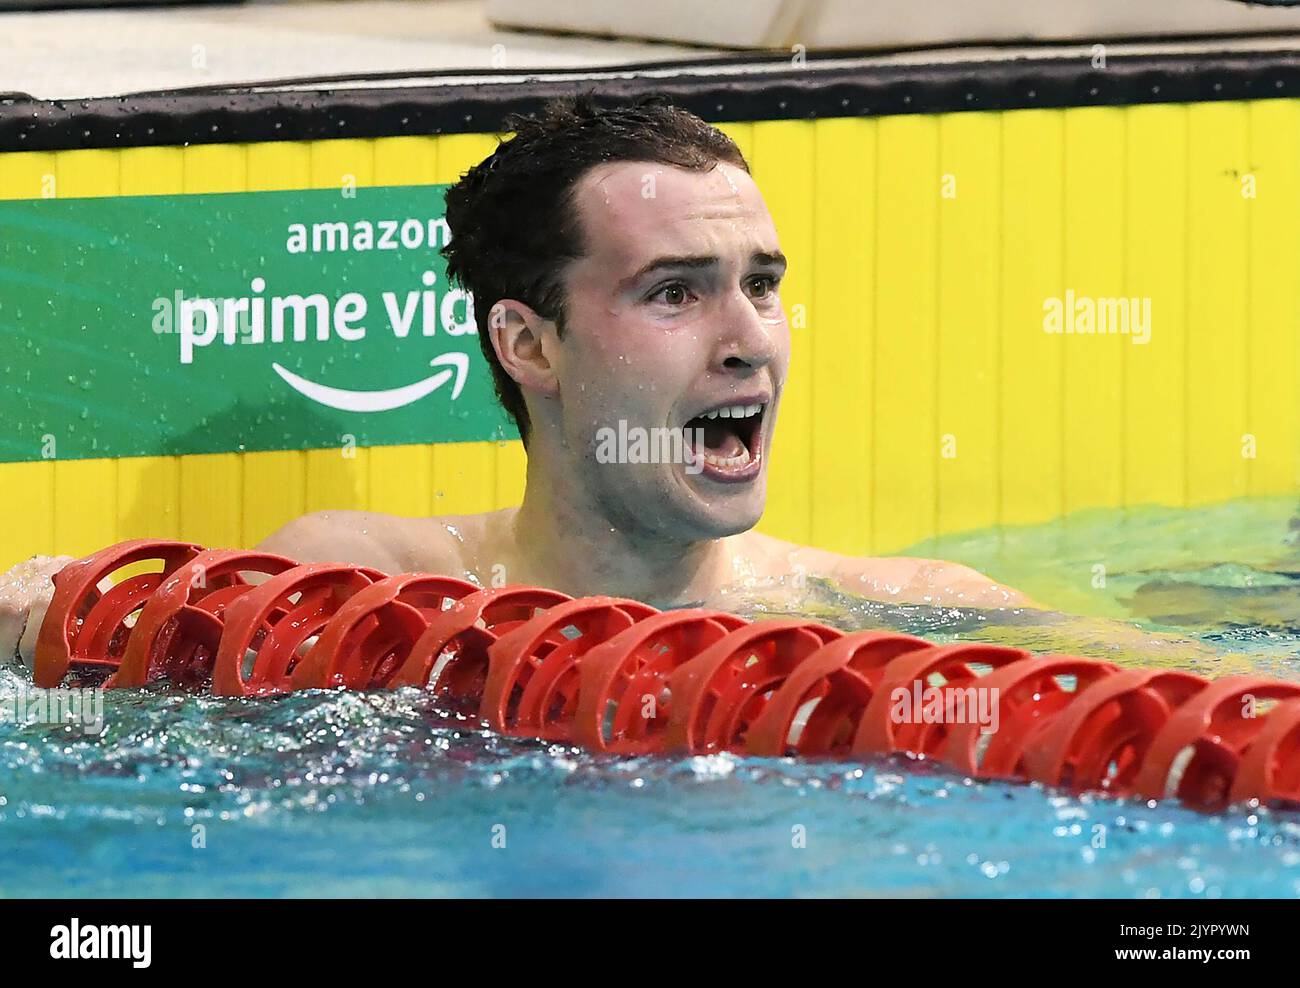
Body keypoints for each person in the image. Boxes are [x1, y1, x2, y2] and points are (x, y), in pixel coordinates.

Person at [3, 95, 1194, 669]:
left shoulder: (914, 613)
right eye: (675, 292)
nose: (748, 339)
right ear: (529, 345)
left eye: (762, 284)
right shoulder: (359, 577)